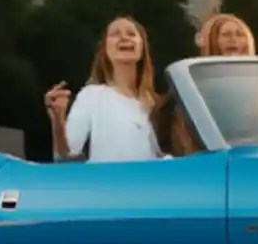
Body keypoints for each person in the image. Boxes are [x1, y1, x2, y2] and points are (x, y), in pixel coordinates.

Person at [43, 16, 167, 162]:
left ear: (142, 47)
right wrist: (58, 119)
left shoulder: (156, 104)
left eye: (131, 33)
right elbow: (65, 155)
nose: (124, 37)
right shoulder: (92, 95)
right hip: (109, 177)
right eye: (115, 34)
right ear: (105, 50)